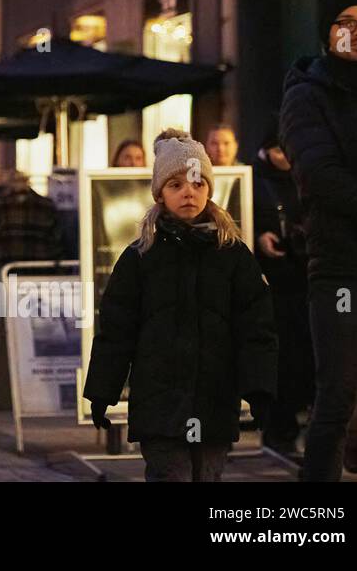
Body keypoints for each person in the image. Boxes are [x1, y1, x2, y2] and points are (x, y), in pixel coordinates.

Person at [84, 130, 277, 481]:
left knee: (208, 476)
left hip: (215, 399)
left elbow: (256, 326)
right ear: (159, 193)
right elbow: (116, 330)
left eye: (197, 183)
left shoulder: (232, 254)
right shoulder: (140, 257)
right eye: (176, 185)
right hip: (159, 403)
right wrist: (102, 391)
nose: (189, 192)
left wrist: (259, 389)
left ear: (208, 189)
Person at [281, 0, 357, 481]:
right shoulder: (305, 97)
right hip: (344, 271)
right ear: (328, 35)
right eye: (346, 22)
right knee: (338, 399)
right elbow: (321, 179)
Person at [250, 115, 312, 458]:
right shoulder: (254, 179)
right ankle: (278, 429)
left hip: (306, 277)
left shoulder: (306, 174)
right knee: (281, 358)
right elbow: (239, 215)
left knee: (306, 356)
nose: (285, 157)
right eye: (279, 150)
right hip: (271, 284)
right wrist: (260, 234)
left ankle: (296, 427)